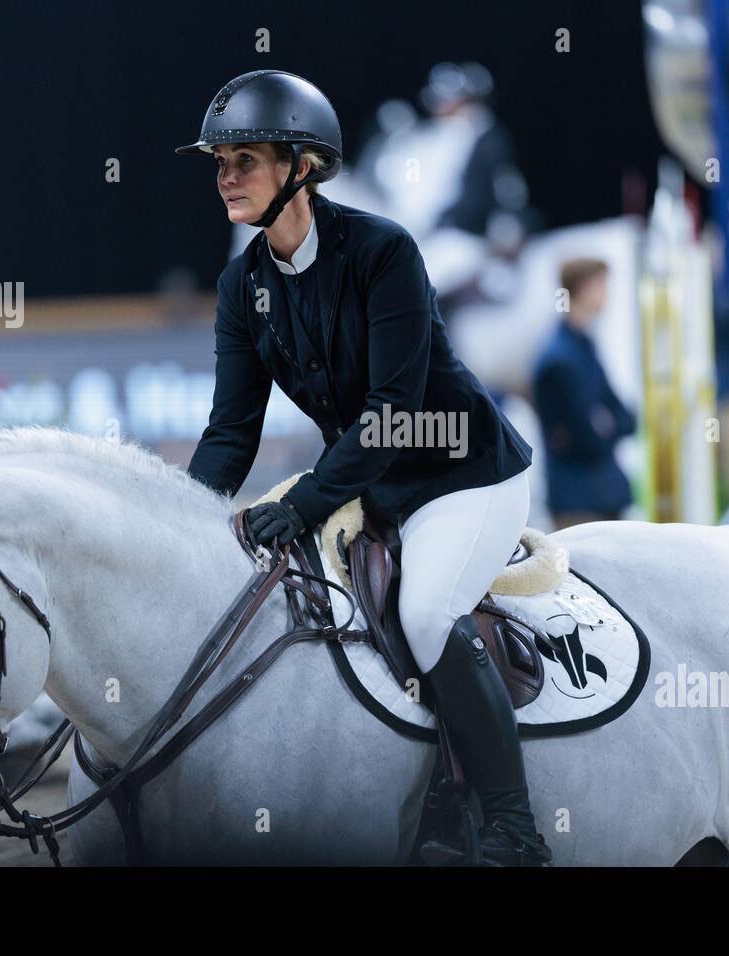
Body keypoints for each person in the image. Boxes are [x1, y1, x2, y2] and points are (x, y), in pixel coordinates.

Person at [179, 70, 551, 865]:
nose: (225, 177)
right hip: (373, 489)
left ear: (302, 168)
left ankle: (517, 832)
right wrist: (181, 518)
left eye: (245, 159)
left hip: (466, 478)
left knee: (422, 616)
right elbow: (231, 431)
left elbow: (393, 411)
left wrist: (308, 502)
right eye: (219, 161)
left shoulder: (383, 252)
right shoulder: (241, 287)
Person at [533, 258, 636, 529]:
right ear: (584, 288)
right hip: (579, 503)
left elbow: (625, 419)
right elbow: (584, 437)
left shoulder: (584, 347)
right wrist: (604, 426)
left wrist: (607, 425)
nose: (607, 294)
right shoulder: (559, 359)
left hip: (603, 497)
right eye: (602, 285)